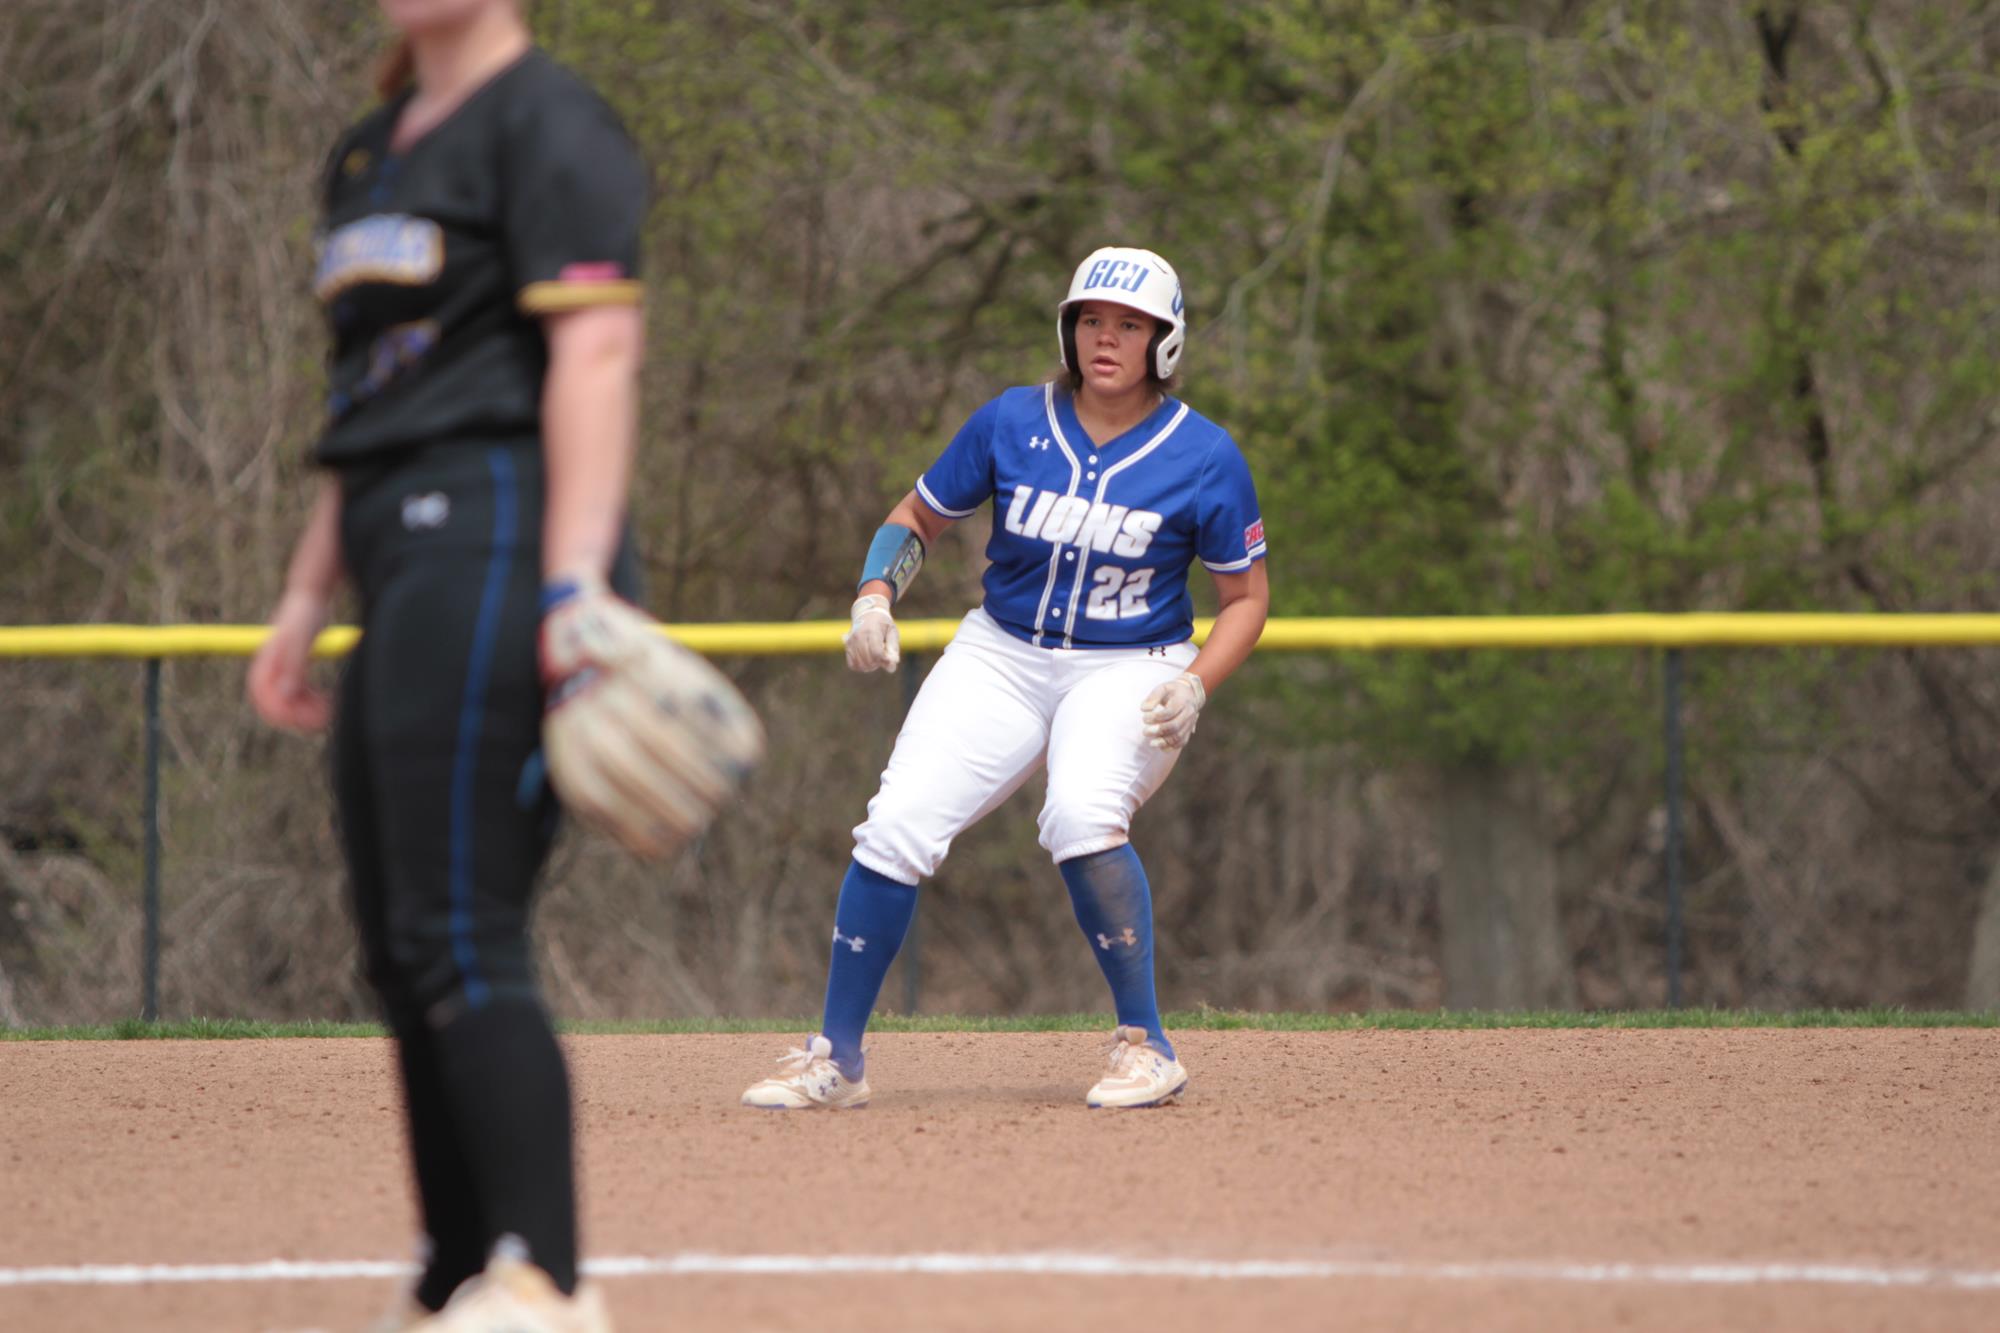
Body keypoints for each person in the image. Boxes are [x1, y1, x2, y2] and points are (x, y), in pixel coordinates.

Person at [248, 0, 657, 1327]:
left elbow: (595, 351)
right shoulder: (368, 153)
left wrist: (577, 586)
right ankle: (453, 1277)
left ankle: (544, 1276)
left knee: (464, 926)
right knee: (398, 942)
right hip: (394, 545)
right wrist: (308, 594)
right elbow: (361, 398)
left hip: (504, 528)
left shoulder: (549, 123)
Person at [742, 246, 1269, 1112]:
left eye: (1129, 325)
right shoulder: (1010, 422)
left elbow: (1245, 597)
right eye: (1092, 319)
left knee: (1080, 811)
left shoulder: (1204, 455)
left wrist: (1200, 680)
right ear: (1067, 328)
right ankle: (836, 1057)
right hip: (1002, 652)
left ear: (1164, 343)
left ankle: (1146, 1045)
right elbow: (917, 515)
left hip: (1131, 661)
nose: (1106, 337)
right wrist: (875, 594)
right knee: (897, 824)